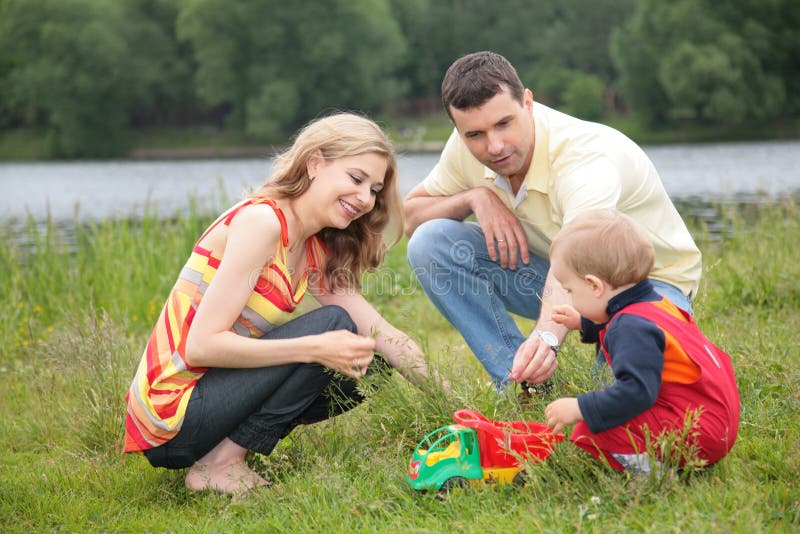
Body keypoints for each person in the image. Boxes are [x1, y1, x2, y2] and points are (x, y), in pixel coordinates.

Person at [124, 113, 436, 495]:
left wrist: (456, 406)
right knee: (333, 327)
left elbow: (382, 332)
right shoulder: (262, 222)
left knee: (374, 361)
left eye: (374, 189)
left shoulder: (314, 247)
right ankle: (220, 465)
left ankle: (222, 453)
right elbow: (201, 345)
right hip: (172, 412)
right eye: (356, 179)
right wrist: (313, 348)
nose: (365, 199)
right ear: (315, 164)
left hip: (213, 399)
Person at [404, 51, 701, 388]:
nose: (495, 146)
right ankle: (520, 383)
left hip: (646, 287)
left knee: (615, 398)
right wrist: (474, 197)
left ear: (528, 102)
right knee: (430, 243)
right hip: (556, 278)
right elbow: (412, 216)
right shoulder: (464, 147)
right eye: (475, 135)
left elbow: (579, 256)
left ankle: (548, 358)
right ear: (459, 130)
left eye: (504, 124)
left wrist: (546, 338)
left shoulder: (585, 159)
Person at [543, 209, 739, 473]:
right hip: (715, 418)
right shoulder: (655, 304)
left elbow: (636, 392)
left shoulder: (629, 327)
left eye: (570, 290)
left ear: (594, 286)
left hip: (698, 433)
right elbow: (626, 325)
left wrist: (580, 406)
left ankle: (650, 473)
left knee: (590, 428)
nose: (569, 295)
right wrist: (583, 322)